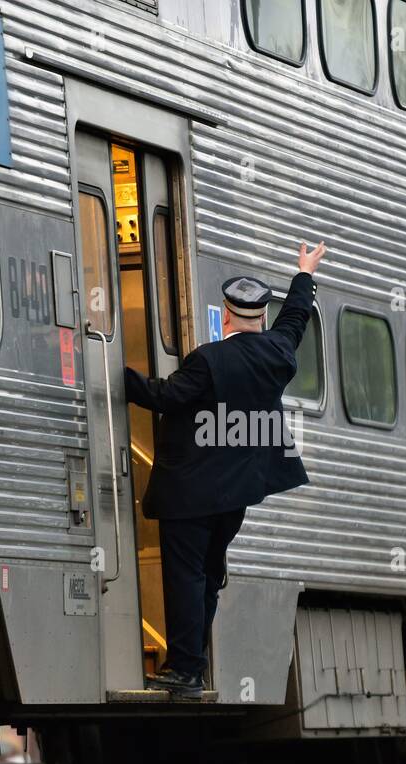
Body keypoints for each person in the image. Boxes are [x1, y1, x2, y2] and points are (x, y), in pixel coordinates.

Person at [124, 241, 328, 698]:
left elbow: (165, 396)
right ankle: (193, 664)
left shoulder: (209, 360)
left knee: (185, 577)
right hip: (236, 498)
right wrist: (304, 273)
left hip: (191, 497)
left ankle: (185, 669)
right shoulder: (279, 353)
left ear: (227, 316)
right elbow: (295, 319)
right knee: (208, 577)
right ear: (259, 317)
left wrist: (116, 375)